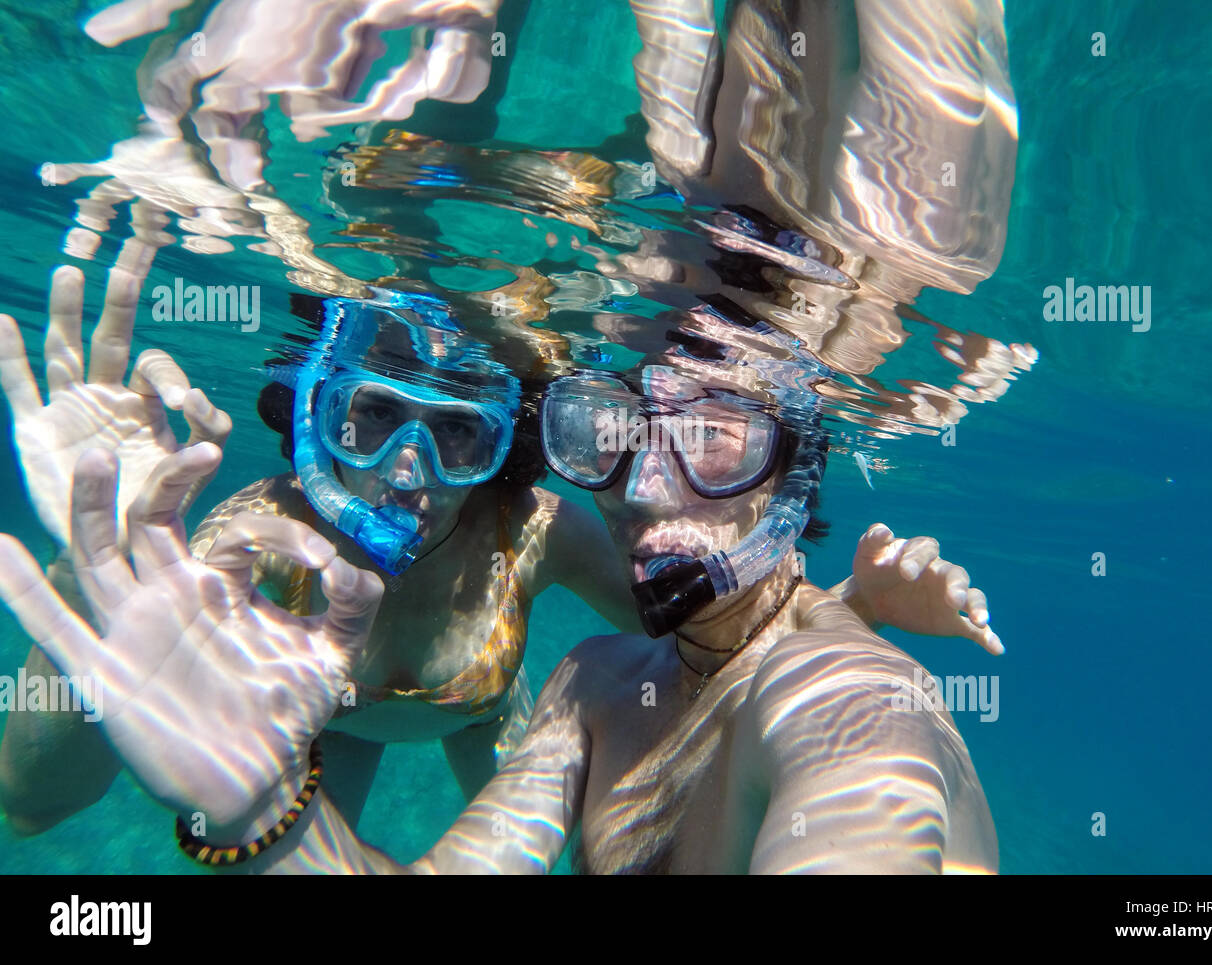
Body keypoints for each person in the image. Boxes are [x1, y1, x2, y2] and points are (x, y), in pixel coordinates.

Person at [0, 267, 997, 854]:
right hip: (329, 725)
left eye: (458, 437)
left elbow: (715, 627)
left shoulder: (531, 531)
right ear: (313, 418)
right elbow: (30, 796)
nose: (407, 472)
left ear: (504, 448)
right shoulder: (255, 539)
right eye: (374, 414)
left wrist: (846, 607)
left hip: (482, 717)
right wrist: (97, 559)